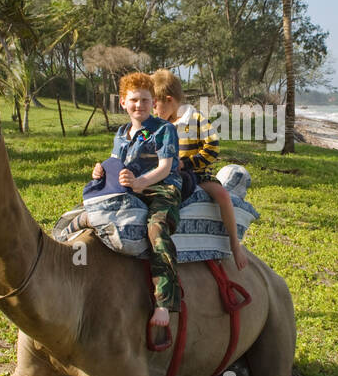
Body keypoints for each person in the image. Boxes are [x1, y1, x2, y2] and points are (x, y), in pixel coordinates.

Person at [92, 72, 182, 340]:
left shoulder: (164, 130)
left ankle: (165, 301)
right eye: (133, 100)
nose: (139, 105)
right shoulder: (121, 134)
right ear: (123, 103)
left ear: (153, 102)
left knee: (156, 229)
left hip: (162, 188)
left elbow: (165, 167)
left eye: (145, 100)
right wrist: (101, 170)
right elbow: (114, 163)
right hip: (130, 187)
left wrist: (142, 182)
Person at [151, 69, 249, 270]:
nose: (153, 110)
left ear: (168, 100)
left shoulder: (195, 118)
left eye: (155, 105)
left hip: (197, 172)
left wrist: (187, 163)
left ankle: (234, 244)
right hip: (169, 173)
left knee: (222, 195)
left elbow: (212, 146)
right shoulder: (159, 124)